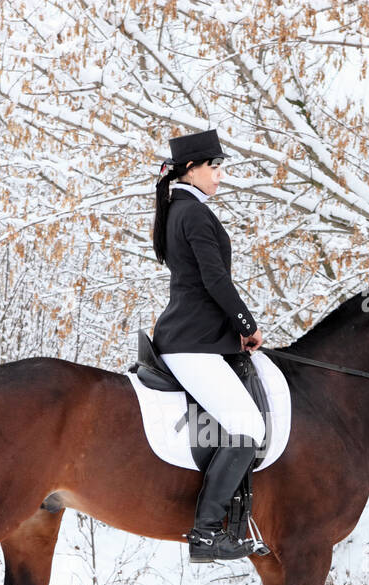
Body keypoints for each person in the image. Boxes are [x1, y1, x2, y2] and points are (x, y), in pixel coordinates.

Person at [151, 129, 266, 562]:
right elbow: (215, 279)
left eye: (221, 167)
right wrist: (245, 323)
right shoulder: (194, 214)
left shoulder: (179, 209)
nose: (221, 176)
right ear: (190, 169)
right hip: (193, 343)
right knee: (250, 427)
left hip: (194, 336)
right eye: (214, 168)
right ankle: (205, 533)